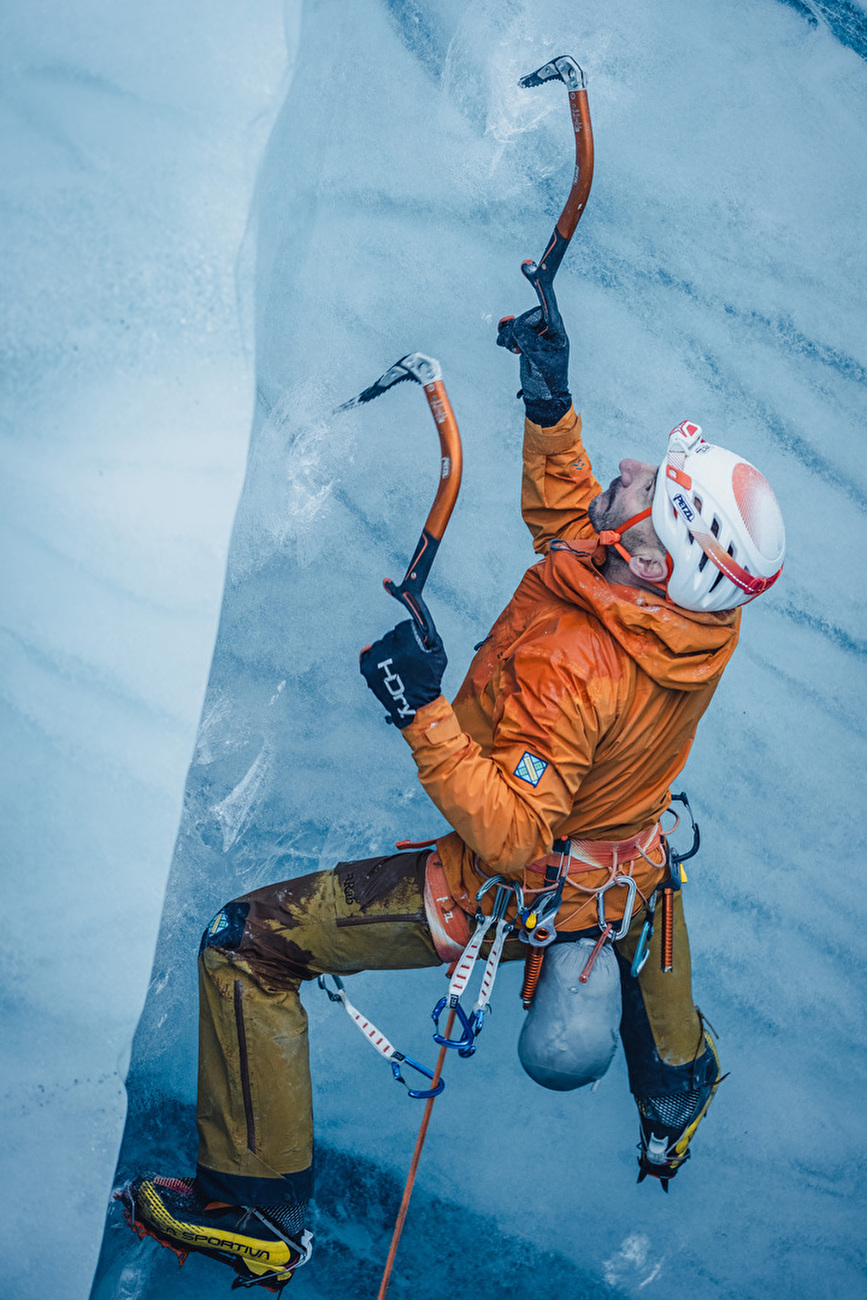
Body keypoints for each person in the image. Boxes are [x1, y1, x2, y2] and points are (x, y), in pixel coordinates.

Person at [123, 289, 785, 1291]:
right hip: (623, 857)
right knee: (648, 880)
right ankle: (676, 1084)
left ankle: (255, 1202)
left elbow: (515, 838)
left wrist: (420, 708)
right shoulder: (695, 618)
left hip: (517, 882)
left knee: (245, 945)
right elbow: (581, 530)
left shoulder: (578, 662)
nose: (636, 467)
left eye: (655, 484)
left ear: (656, 558)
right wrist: (551, 410)